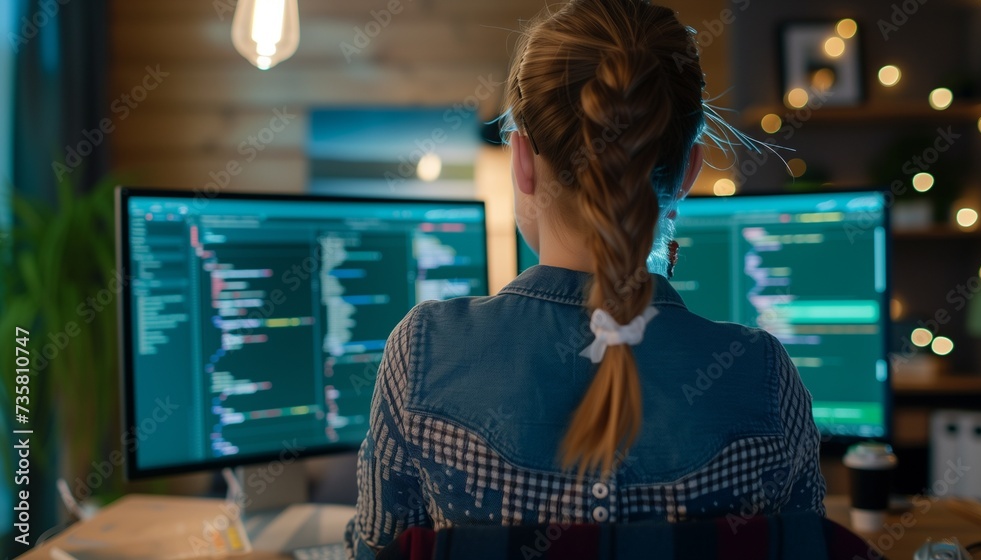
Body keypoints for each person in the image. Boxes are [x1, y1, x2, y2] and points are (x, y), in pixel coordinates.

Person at [346, 0, 825, 557]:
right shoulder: (764, 378)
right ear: (690, 173)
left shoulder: (424, 353)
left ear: (521, 160)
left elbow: (375, 553)